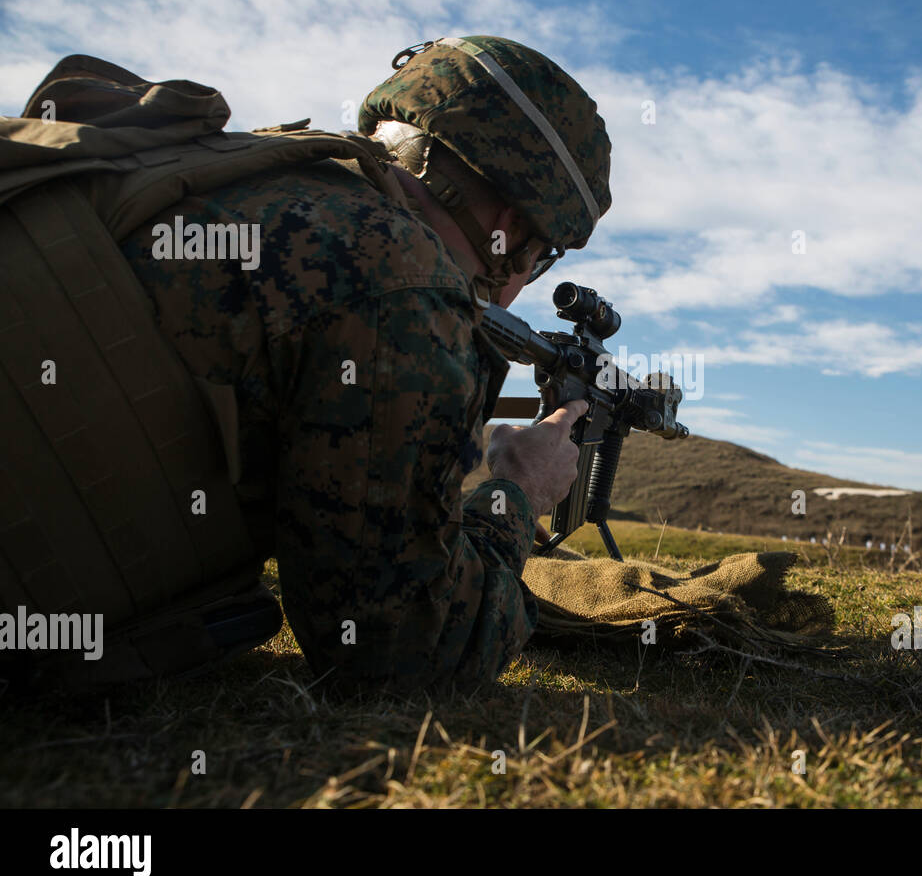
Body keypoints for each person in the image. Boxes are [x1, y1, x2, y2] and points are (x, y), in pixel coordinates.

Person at [2, 35, 612, 691]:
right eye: (542, 255)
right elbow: (400, 651)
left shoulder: (248, 170)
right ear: (510, 226)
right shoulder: (398, 276)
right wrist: (517, 491)